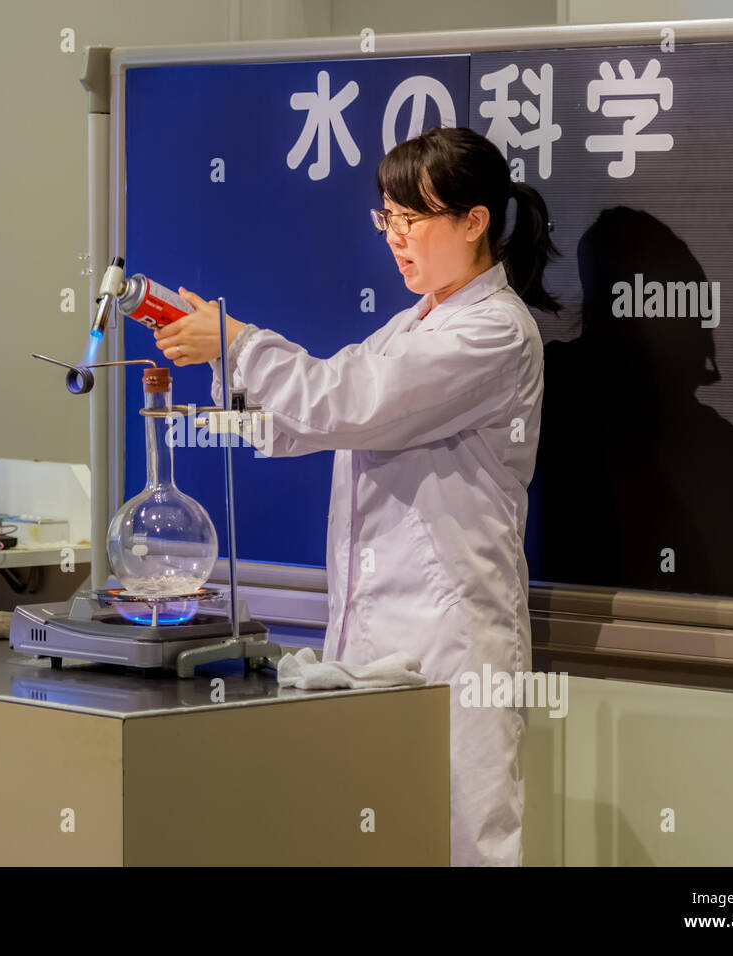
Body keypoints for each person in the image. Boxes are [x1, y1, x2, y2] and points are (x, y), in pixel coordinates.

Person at [153, 126, 558, 866]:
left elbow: (352, 401)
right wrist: (225, 362)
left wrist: (239, 343)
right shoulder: (410, 325)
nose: (396, 239)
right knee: (374, 834)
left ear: (474, 222)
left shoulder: (496, 332)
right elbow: (310, 417)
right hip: (370, 637)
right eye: (387, 219)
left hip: (451, 639)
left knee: (461, 838)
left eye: (413, 220)